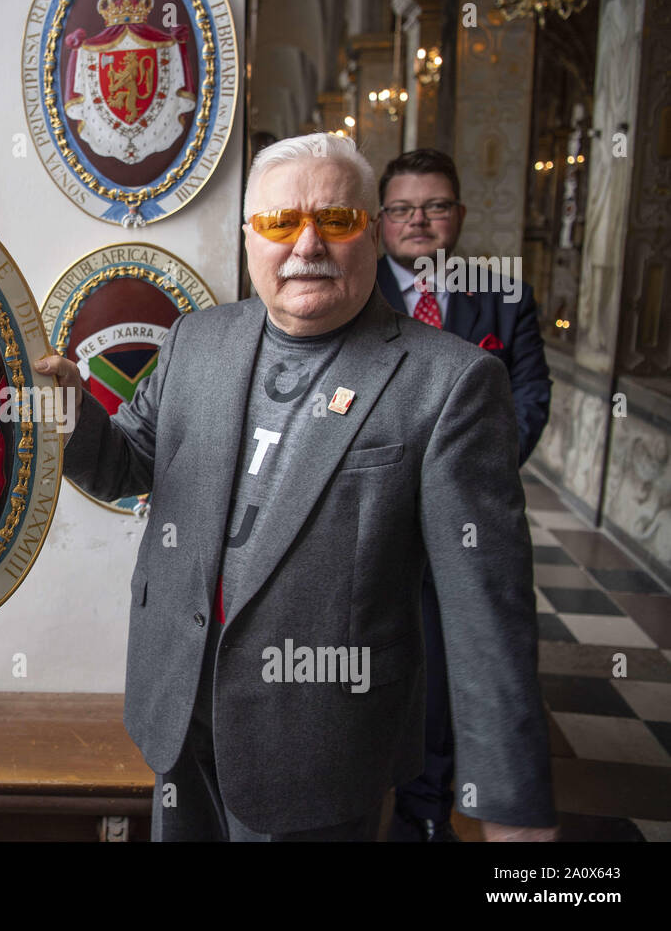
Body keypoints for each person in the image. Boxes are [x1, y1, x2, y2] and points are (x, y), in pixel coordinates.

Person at [37, 132, 558, 841]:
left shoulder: (451, 383)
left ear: (372, 234)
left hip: (318, 748)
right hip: (178, 716)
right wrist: (70, 415)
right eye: (281, 224)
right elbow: (128, 464)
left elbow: (486, 612)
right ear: (251, 238)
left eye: (335, 221)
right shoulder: (198, 341)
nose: (306, 245)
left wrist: (510, 805)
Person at [377, 148, 551, 841]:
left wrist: (464, 478)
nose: (418, 221)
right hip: (381, 523)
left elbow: (530, 398)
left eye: (435, 206)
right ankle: (387, 806)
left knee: (463, 674)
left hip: (474, 526)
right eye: (402, 208)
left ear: (459, 215)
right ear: (379, 220)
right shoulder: (355, 292)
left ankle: (431, 816)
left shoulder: (505, 297)